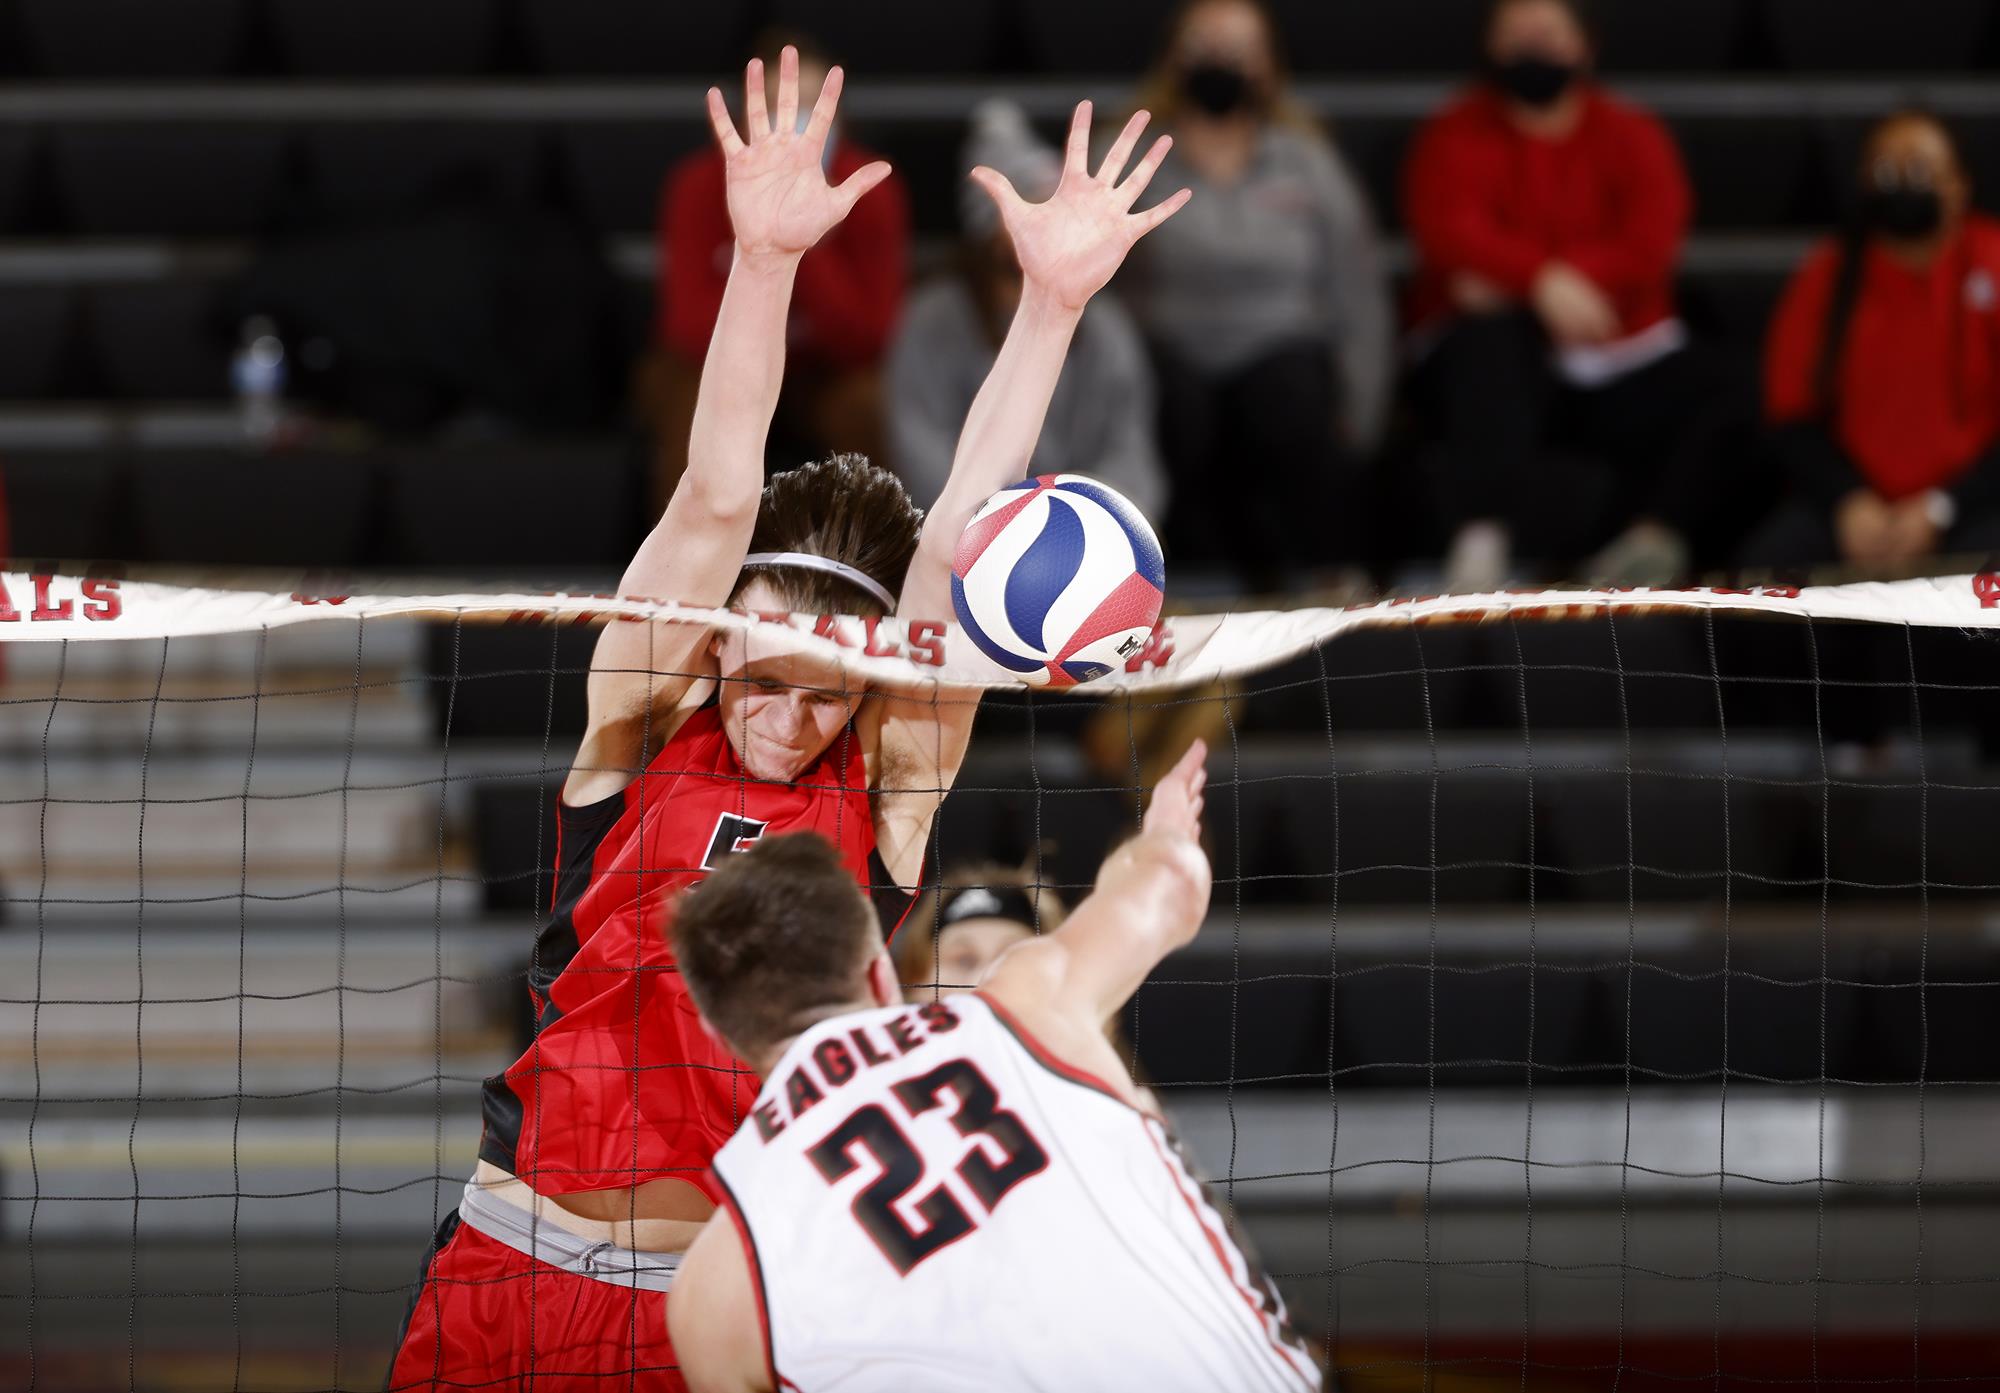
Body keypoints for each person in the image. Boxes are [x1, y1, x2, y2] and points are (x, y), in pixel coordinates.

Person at [386, 51, 1191, 1393]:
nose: (788, 709)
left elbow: (954, 545)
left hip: (729, 1322)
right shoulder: (640, 726)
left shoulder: (887, 787)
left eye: (829, 686)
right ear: (723, 647)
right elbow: (712, 499)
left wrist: (1049, 305)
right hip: (508, 1280)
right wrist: (760, 266)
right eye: (766, 672)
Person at [667, 742, 1322, 1393]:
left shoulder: (713, 1291)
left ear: (717, 1030)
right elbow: (1172, 883)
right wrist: (1163, 836)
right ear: (880, 970)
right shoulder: (1026, 1001)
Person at [1404, 0, 1739, 589]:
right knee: (1488, 343)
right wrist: (1543, 282)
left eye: (1548, 35)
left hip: (1619, 351)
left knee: (1737, 389)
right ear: (1490, 47)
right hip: (1509, 367)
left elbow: (1651, 239)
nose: (1533, 50)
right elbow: (1449, 232)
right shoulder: (1454, 134)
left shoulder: (1633, 133)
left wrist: (1541, 279)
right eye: (1518, 36)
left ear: (1585, 46)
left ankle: (1653, 538)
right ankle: (1482, 537)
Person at [1119, 0, 1392, 592]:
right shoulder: (1130, 154)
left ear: (1268, 66)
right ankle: (1168, 592)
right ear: (1171, 59)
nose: (1221, 59)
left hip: (1283, 356)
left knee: (1291, 398)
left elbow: (1358, 291)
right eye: (1205, 43)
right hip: (1166, 358)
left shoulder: (1308, 161)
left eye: (1239, 47)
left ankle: (1317, 588)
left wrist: (1363, 412)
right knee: (1167, 408)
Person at [643, 29, 909, 511]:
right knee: (684, 396)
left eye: (810, 105)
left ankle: (868, 569)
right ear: (746, 114)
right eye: (776, 104)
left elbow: (870, 335)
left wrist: (802, 240)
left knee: (868, 405)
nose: (794, 122)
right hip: (719, 366)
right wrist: (761, 250)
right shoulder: (697, 184)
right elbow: (685, 329)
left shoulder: (869, 185)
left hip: (824, 372)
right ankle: (676, 575)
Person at [1745, 110, 2000, 573]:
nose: (1903, 183)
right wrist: (1848, 500)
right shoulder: (1828, 273)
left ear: (1960, 184)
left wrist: (1942, 506)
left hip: (1973, 503)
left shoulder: (1993, 259)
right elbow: (1789, 414)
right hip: (1854, 508)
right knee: (1765, 577)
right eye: (1886, 171)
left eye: (1920, 168)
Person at [890, 101, 1168, 521]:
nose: (1044, 223)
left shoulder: (1106, 327)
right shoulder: (930, 323)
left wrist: (1080, 520)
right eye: (1026, 206)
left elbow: (1131, 455)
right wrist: (1006, 524)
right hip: (967, 541)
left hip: (1084, 536)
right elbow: (919, 453)